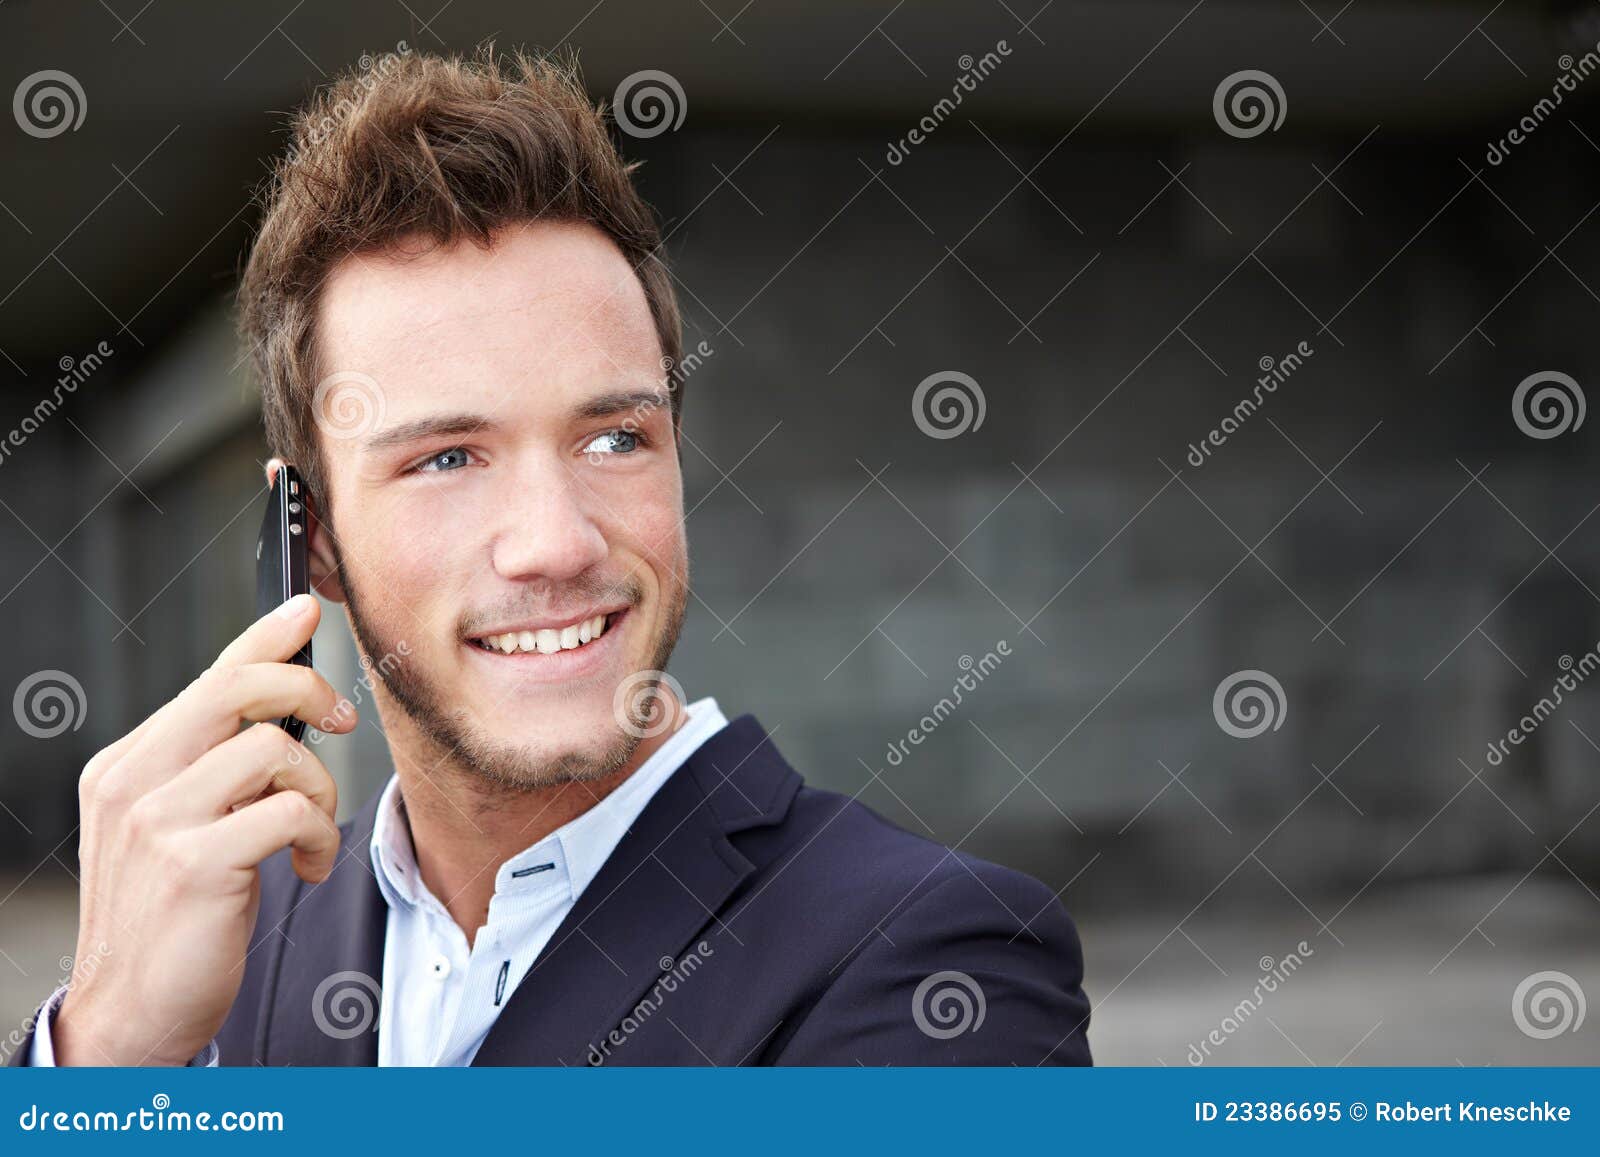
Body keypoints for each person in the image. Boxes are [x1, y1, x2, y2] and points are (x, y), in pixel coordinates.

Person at [13, 45, 1091, 1067]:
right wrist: (101, 1052)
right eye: (446, 457)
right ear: (312, 540)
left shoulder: (940, 959)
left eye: (614, 438)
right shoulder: (233, 932)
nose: (556, 540)